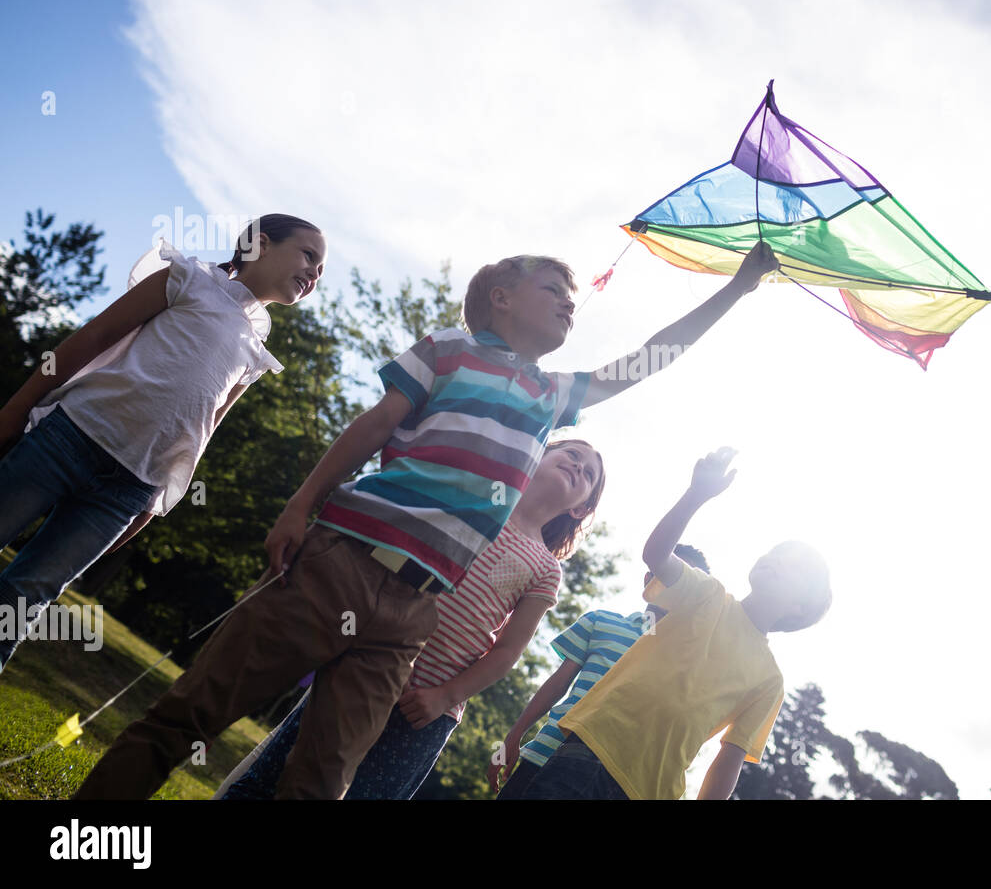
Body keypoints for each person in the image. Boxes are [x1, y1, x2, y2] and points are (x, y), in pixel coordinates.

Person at [75, 242, 778, 800]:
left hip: (412, 615)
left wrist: (736, 290)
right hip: (340, 563)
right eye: (554, 293)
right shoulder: (446, 351)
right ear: (501, 300)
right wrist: (300, 506)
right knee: (190, 715)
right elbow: (371, 426)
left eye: (573, 300)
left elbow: (650, 359)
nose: (571, 305)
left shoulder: (555, 396)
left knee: (321, 782)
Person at [0, 215, 325, 672]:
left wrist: (151, 506)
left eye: (321, 270)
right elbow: (92, 338)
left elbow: (203, 431)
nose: (315, 273)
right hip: (70, 437)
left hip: (127, 491)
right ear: (261, 243)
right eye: (310, 256)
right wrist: (16, 409)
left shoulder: (257, 344)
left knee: (27, 592)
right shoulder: (187, 277)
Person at [215, 439, 604, 800]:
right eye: (571, 453)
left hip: (424, 712)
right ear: (537, 456)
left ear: (580, 508)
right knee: (273, 776)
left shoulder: (545, 569)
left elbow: (506, 653)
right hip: (365, 668)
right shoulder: (473, 502)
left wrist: (446, 696)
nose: (577, 465)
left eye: (589, 474)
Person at [525, 447, 832, 800]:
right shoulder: (707, 592)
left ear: (798, 608)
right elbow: (655, 555)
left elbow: (728, 760)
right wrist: (696, 495)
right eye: (776, 552)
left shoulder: (770, 681)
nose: (776, 560)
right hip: (587, 748)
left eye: (793, 566)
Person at [490, 544, 709, 799]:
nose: (674, 586)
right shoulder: (601, 622)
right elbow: (558, 684)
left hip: (608, 783)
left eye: (685, 582)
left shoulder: (686, 661)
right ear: (648, 579)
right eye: (669, 574)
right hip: (545, 753)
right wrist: (515, 733)